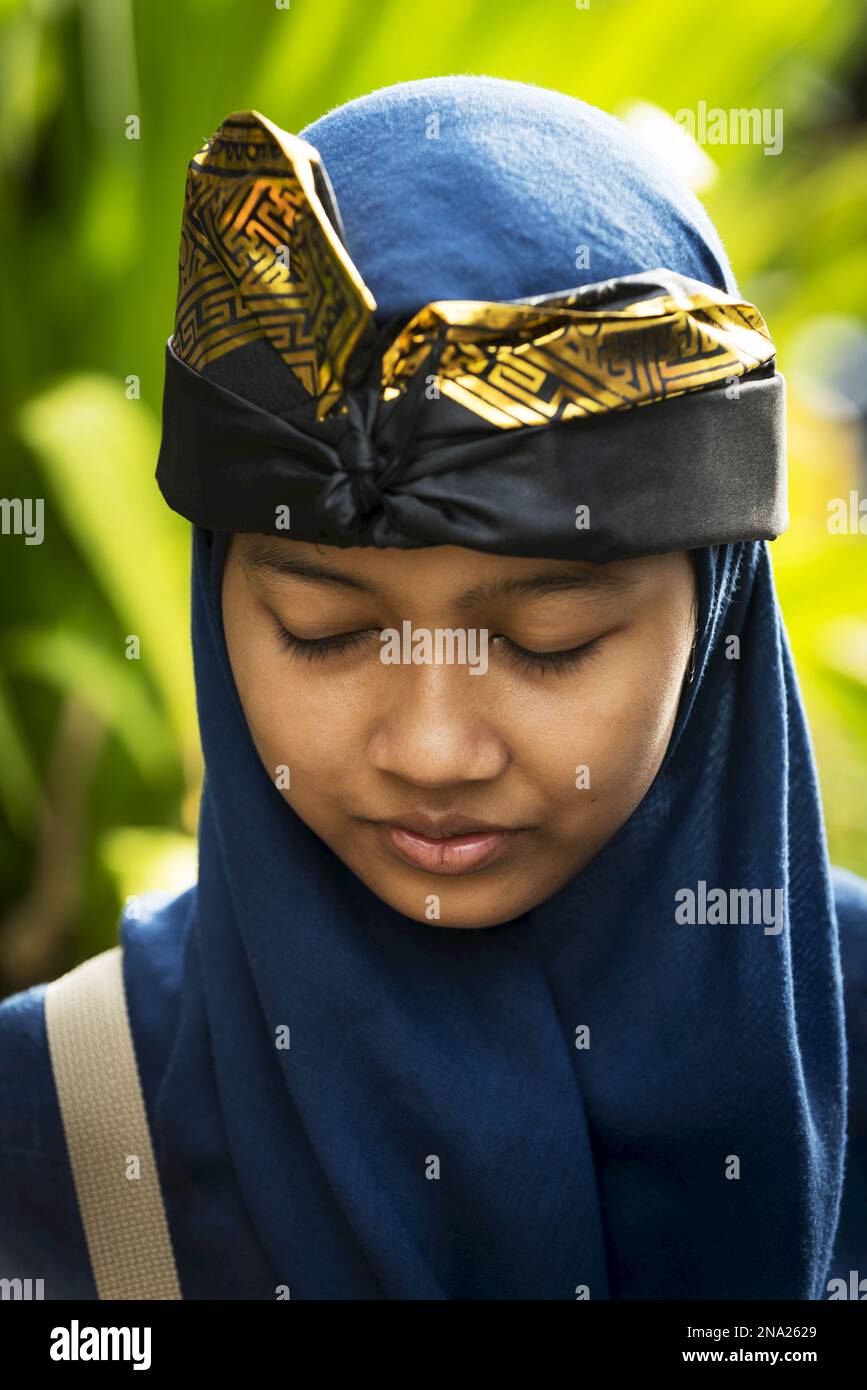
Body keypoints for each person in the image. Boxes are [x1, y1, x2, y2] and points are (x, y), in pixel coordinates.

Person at [1, 74, 865, 1301]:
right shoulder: (65, 1128)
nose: (434, 748)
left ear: (716, 603)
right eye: (324, 630)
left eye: (550, 639)